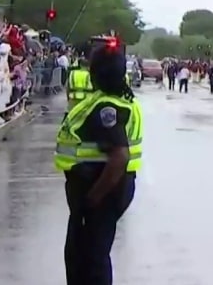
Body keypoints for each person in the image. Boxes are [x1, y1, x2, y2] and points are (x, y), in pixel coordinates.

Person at [54, 43, 142, 285]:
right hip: (96, 189)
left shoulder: (108, 107)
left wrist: (93, 198)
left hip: (101, 191)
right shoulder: (104, 99)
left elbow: (119, 156)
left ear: (95, 73)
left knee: (91, 259)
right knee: (78, 254)